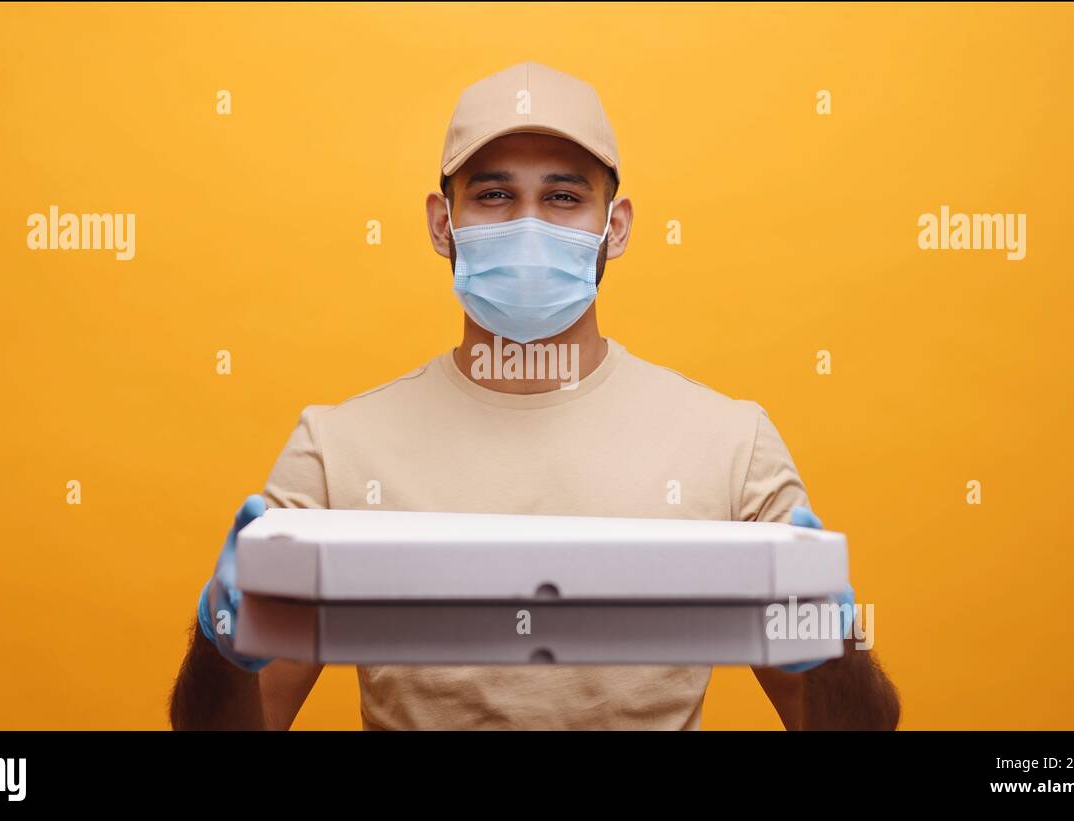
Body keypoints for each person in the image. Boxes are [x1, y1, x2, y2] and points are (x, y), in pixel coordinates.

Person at [169, 62, 900, 731]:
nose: (528, 226)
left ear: (613, 228)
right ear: (441, 221)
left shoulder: (730, 444)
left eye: (562, 196)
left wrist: (831, 640)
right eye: (493, 195)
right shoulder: (335, 449)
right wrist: (220, 637)